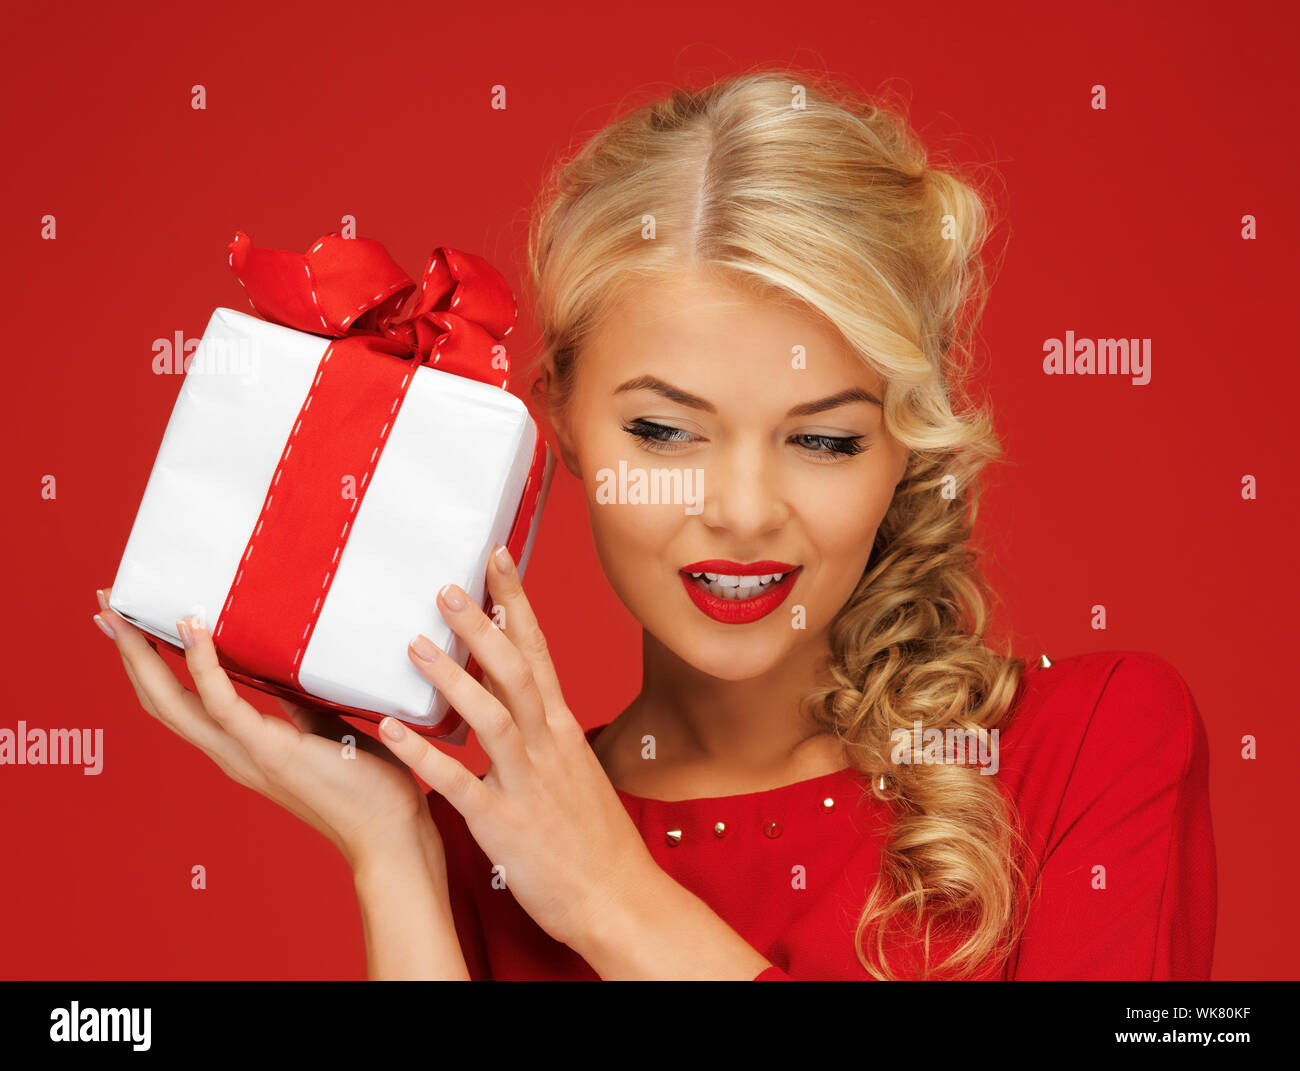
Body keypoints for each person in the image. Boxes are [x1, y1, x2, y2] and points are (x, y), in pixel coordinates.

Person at [93, 69, 1216, 980]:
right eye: (666, 435)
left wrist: (617, 907)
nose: (738, 510)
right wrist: (388, 852)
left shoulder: (1091, 749)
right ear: (560, 429)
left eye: (823, 439)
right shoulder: (483, 844)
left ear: (905, 445)